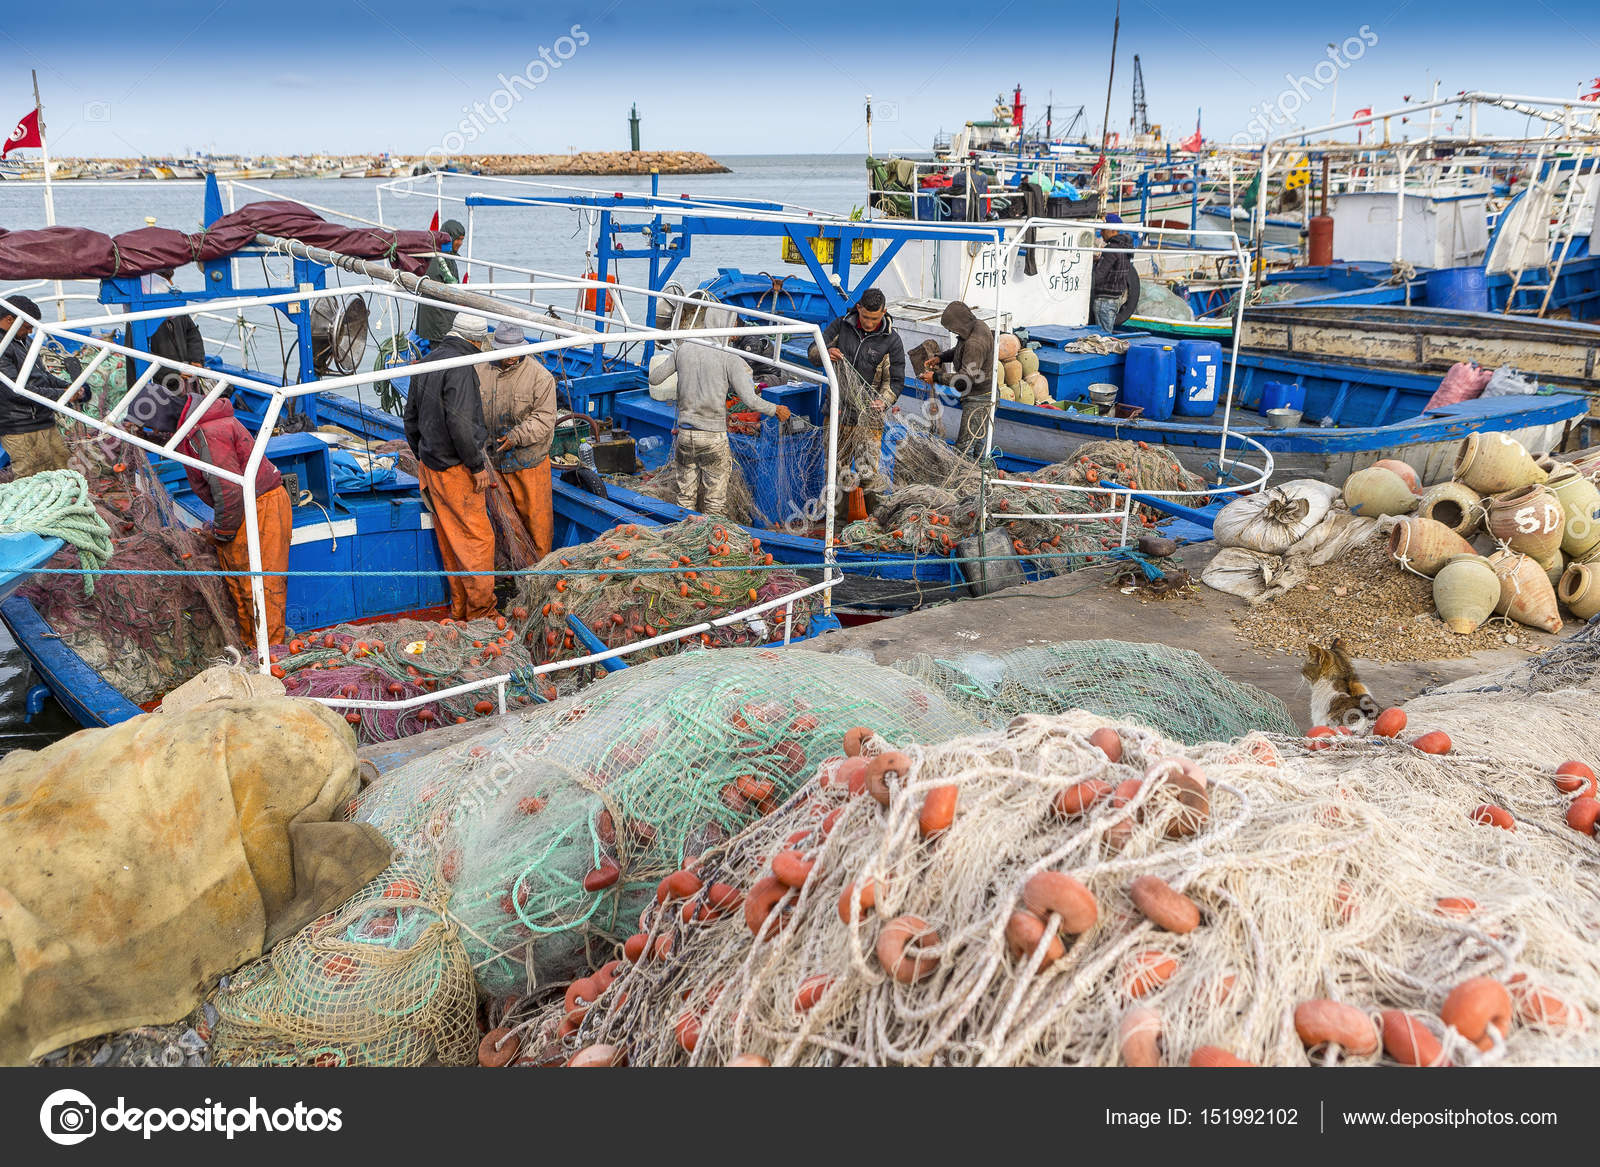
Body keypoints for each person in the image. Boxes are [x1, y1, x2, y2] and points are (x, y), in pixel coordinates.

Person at [140, 381, 292, 649]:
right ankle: (251, 647)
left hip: (259, 505)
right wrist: (149, 438)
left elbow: (229, 490)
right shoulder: (194, 426)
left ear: (161, 417)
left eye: (150, 424)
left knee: (260, 589)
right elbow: (182, 442)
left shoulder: (208, 433)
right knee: (240, 583)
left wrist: (220, 532)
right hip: (243, 507)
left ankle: (271, 656)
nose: (152, 429)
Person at [404, 313, 498, 621]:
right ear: (477, 341)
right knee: (477, 541)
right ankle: (482, 614)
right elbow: (460, 424)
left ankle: (460, 610)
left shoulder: (428, 361)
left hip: (431, 469)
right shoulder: (461, 367)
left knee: (450, 539)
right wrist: (475, 465)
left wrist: (423, 455)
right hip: (457, 470)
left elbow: (410, 419)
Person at [649, 340, 790, 518]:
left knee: (684, 499)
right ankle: (711, 541)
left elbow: (654, 379)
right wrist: (775, 409)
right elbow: (750, 399)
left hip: (685, 435)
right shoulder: (730, 357)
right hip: (713, 437)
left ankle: (684, 538)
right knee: (714, 504)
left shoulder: (683, 349)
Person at [812, 287, 904, 514]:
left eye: (875, 318)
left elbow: (895, 381)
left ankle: (876, 520)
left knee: (868, 473)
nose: (870, 323)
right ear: (859, 308)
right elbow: (813, 350)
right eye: (865, 317)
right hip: (837, 412)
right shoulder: (841, 326)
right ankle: (838, 522)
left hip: (869, 420)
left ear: (883, 312)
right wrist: (826, 352)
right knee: (835, 470)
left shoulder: (891, 341)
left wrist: (884, 401)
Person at [477, 321, 557, 559]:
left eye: (516, 352)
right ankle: (514, 570)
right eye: (505, 353)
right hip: (494, 462)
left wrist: (516, 436)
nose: (511, 357)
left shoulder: (540, 377)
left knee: (537, 524)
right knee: (504, 522)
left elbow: (544, 419)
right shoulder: (479, 369)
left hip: (528, 463)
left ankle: (539, 573)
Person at [0, 294, 89, 478]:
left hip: (43, 419)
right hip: (19, 426)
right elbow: (15, 391)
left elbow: (42, 376)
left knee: (64, 470)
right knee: (31, 479)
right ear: (10, 320)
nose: (31, 331)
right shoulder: (2, 346)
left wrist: (71, 388)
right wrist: (62, 394)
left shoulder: (24, 340)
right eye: (27, 326)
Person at [920, 300, 995, 458]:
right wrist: (941, 358)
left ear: (959, 325)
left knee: (964, 448)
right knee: (979, 448)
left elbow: (963, 379)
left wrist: (936, 377)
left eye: (952, 329)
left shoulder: (975, 342)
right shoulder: (975, 326)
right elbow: (961, 350)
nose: (952, 332)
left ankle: (965, 480)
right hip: (983, 395)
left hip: (979, 400)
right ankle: (980, 477)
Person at [413, 219, 467, 347]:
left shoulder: (443, 255)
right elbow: (451, 283)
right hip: (438, 317)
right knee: (441, 349)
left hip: (438, 314)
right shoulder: (440, 258)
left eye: (462, 239)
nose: (460, 243)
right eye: (458, 239)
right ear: (449, 238)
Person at [1091, 215, 1136, 333]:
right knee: (1106, 333)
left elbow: (1099, 275)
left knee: (1102, 337)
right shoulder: (1125, 247)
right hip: (1116, 300)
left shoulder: (1111, 249)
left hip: (1104, 300)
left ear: (1112, 230)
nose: (1101, 233)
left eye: (1103, 229)